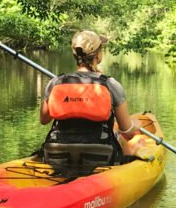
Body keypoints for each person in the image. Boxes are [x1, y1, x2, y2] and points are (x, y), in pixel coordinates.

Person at [40, 29, 137, 165]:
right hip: (100, 155)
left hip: (56, 152)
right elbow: (126, 130)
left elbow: (44, 119)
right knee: (120, 137)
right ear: (98, 55)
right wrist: (135, 126)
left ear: (75, 55)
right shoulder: (110, 84)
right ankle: (127, 172)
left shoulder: (56, 82)